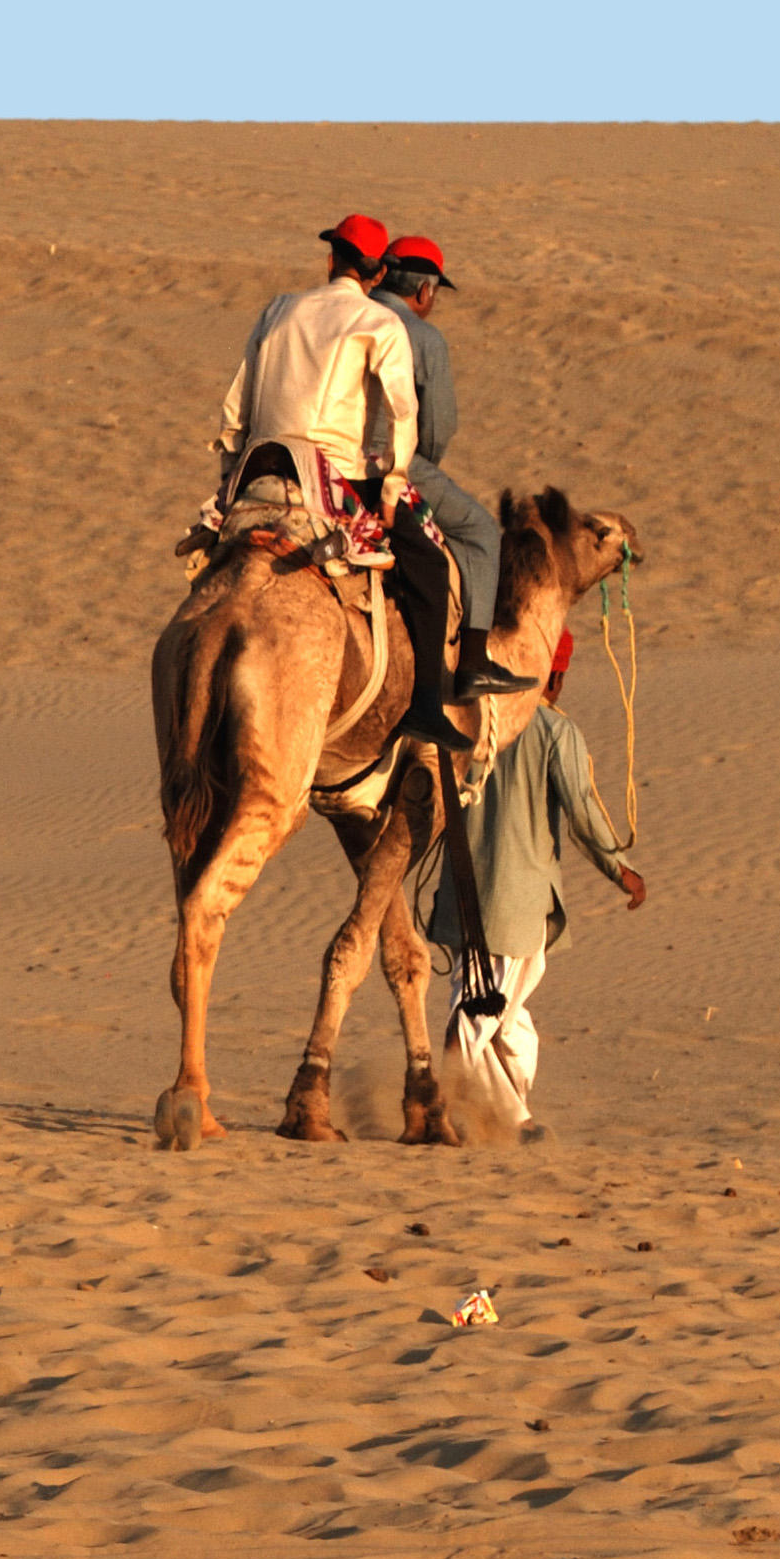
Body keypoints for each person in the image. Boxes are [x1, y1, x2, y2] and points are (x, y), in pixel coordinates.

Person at [216, 214, 460, 746]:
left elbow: (235, 403)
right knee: (429, 565)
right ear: (377, 275)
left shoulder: (278, 308)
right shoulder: (378, 323)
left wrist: (229, 474)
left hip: (257, 465)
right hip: (332, 476)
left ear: (332, 260)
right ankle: (424, 706)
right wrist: (394, 485)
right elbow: (403, 411)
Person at [421, 634, 644, 1143]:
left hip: (463, 892)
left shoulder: (471, 723)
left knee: (511, 1023)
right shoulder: (553, 730)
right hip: (512, 902)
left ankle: (502, 1115)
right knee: (475, 1016)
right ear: (554, 677)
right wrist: (620, 868)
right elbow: (582, 809)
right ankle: (493, 1120)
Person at [376, 233, 528, 704]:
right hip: (388, 459)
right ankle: (473, 663)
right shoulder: (421, 337)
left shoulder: (348, 316)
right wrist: (423, 469)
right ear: (425, 291)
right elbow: (438, 427)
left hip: (315, 453)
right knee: (480, 531)